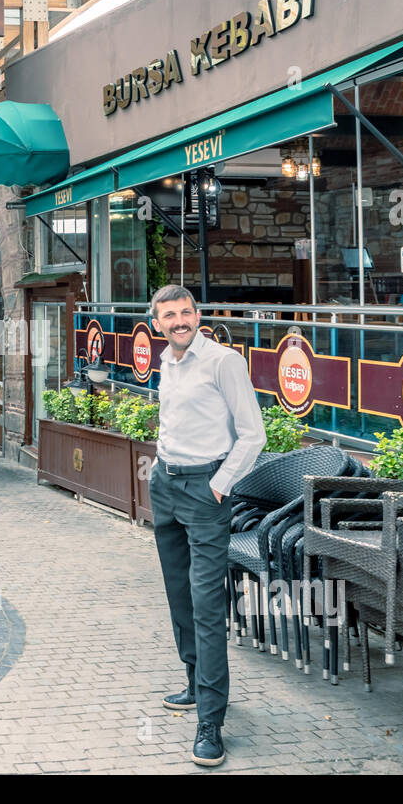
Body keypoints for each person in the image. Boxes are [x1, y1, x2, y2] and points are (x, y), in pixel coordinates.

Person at [147, 284, 266, 768]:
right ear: (157, 323)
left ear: (197, 315)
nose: (179, 321)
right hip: (165, 485)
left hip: (204, 492)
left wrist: (218, 486)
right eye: (170, 315)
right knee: (179, 595)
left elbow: (252, 434)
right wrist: (159, 468)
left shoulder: (223, 361)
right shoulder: (167, 363)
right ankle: (196, 683)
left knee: (206, 605)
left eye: (186, 312)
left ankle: (211, 722)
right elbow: (171, 421)